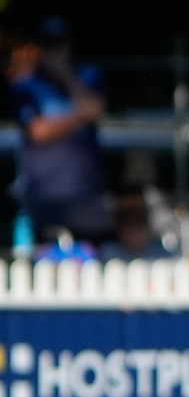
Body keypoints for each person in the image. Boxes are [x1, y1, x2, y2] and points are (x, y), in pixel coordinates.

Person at [7, 19, 111, 246]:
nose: (55, 52)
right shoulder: (25, 85)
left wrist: (66, 77)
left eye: (59, 45)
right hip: (43, 197)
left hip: (85, 196)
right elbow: (38, 131)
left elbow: (96, 108)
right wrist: (79, 116)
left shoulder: (88, 75)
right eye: (49, 46)